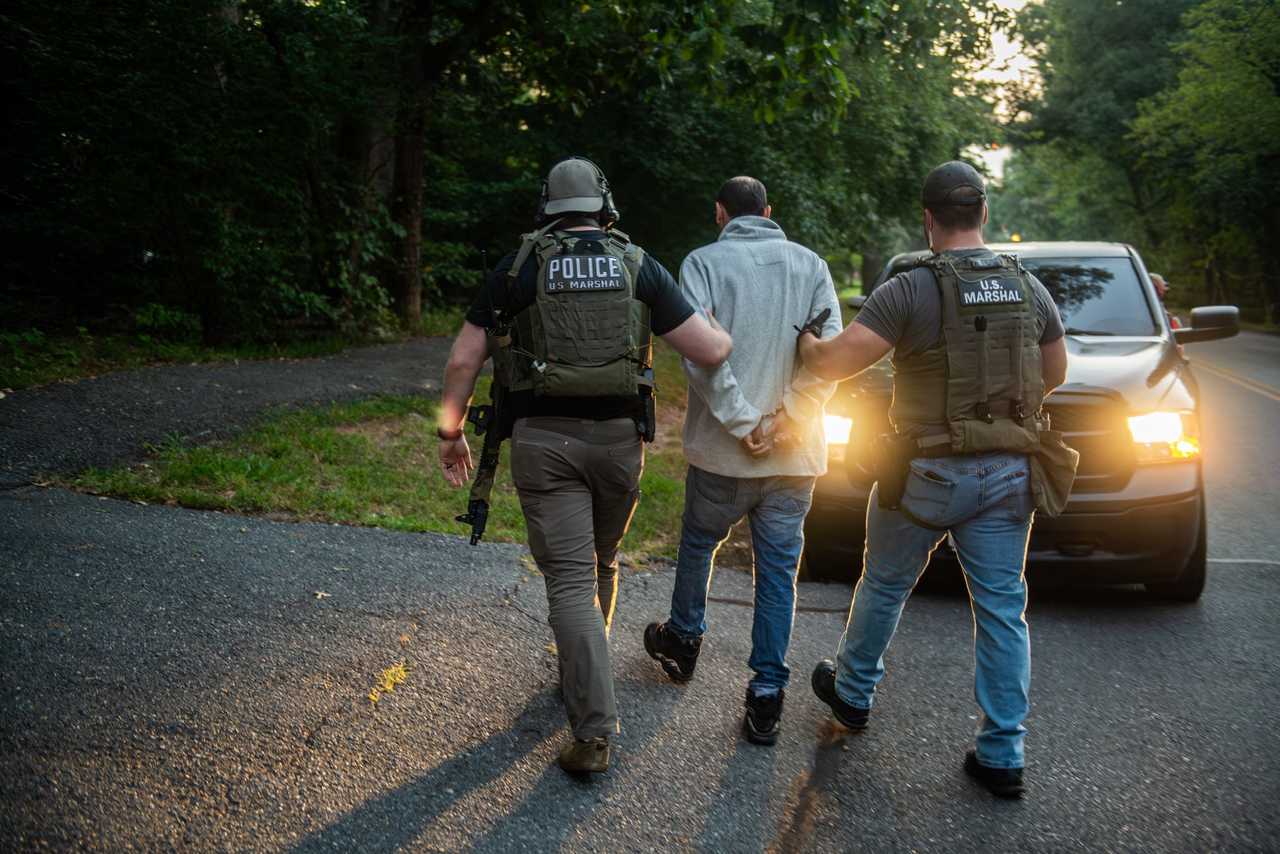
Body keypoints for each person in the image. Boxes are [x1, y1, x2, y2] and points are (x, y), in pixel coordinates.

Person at [437, 157, 732, 776]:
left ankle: (594, 731)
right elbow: (707, 349)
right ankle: (585, 676)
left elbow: (464, 360)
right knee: (602, 560)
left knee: (570, 581)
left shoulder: (519, 266)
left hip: (544, 443)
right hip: (620, 444)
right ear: (604, 205)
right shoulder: (637, 264)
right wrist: (724, 334)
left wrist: (451, 431)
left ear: (547, 206)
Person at [796, 161, 1073, 798]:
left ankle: (853, 694)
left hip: (925, 475)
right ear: (983, 214)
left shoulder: (909, 289)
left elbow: (835, 364)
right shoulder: (1028, 286)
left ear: (927, 219)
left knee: (885, 582)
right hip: (1010, 473)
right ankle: (1003, 752)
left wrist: (809, 344)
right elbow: (1054, 371)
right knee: (1002, 608)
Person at [642, 176, 842, 745]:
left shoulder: (702, 264)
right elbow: (829, 357)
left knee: (698, 544)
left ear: (720, 213)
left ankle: (683, 640)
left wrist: (744, 421)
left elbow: (701, 357)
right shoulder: (812, 266)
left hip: (723, 455)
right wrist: (789, 417)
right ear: (768, 212)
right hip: (794, 458)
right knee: (777, 574)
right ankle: (767, 692)